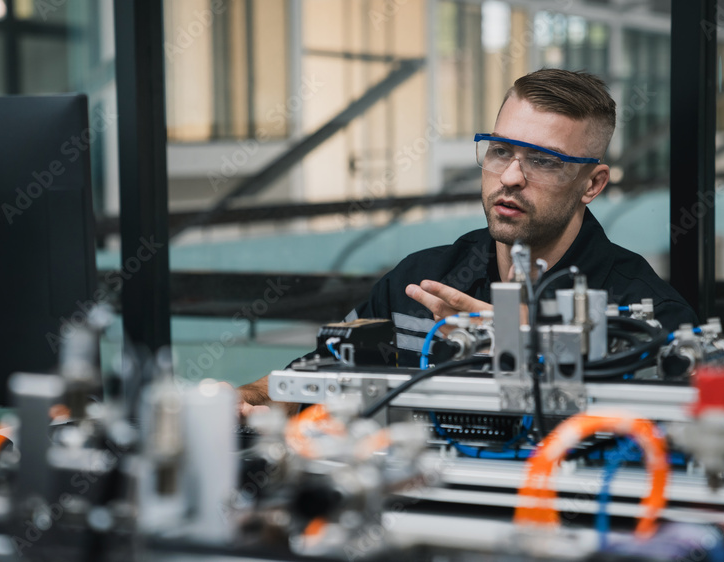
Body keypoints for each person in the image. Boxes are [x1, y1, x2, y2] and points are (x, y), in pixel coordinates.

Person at [234, 68, 698, 414]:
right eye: (500, 151)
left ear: (591, 184)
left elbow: (669, 438)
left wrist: (531, 339)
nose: (510, 177)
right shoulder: (421, 283)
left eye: (544, 161)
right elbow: (318, 375)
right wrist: (248, 399)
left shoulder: (644, 313)